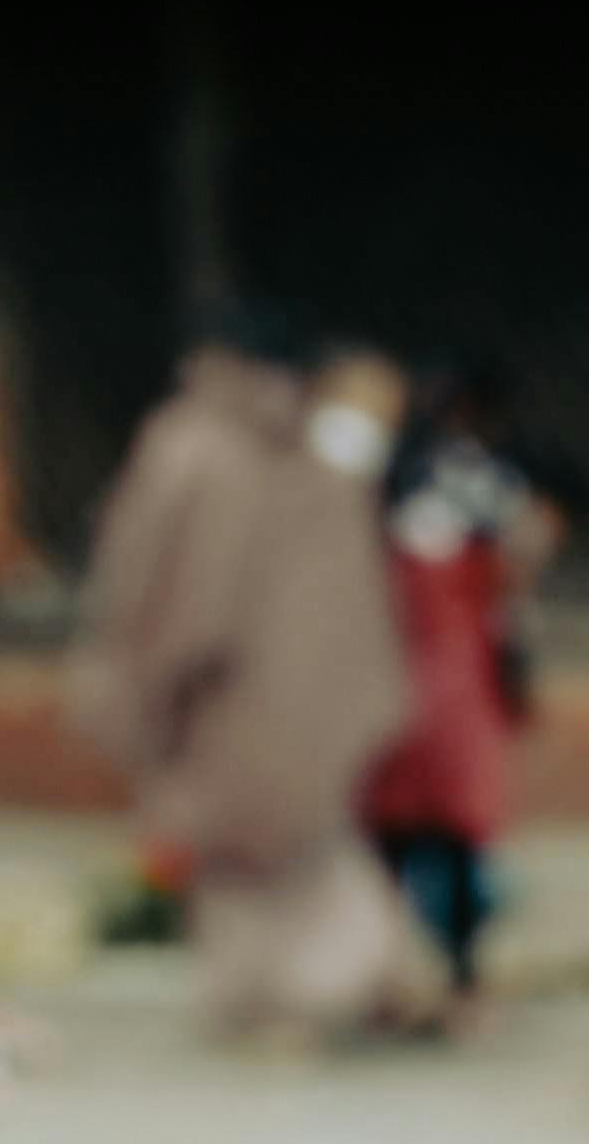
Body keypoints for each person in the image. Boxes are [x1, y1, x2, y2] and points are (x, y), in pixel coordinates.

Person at [74, 316, 435, 1043]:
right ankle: (365, 976)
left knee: (245, 856)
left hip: (225, 692)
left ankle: (287, 999)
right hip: (323, 696)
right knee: (303, 843)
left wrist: (141, 688)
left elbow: (168, 591)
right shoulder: (318, 445)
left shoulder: (191, 448)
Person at [364, 367, 560, 1003]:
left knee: (390, 835)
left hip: (396, 680)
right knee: (455, 836)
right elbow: (519, 574)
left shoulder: (384, 478)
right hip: (458, 682)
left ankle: (396, 972)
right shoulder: (494, 484)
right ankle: (455, 975)